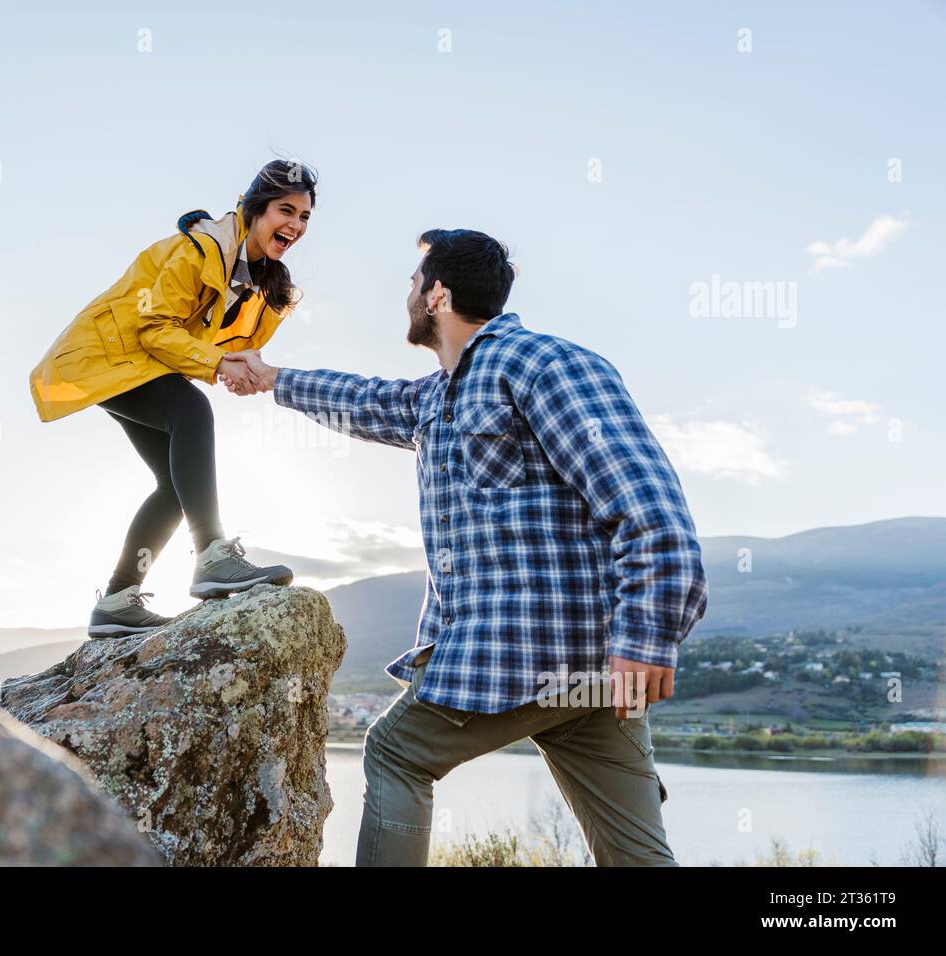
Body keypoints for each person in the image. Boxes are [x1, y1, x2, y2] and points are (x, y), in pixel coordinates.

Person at [225, 228, 709, 866]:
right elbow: (366, 400)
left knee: (397, 751)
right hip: (583, 678)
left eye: (412, 282)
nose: (407, 294)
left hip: (537, 654)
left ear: (438, 295)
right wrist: (269, 378)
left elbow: (649, 505)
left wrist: (645, 639)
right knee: (637, 857)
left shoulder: (543, 363)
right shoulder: (441, 395)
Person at [29, 160, 317, 636]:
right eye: (286, 211)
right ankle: (213, 555)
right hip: (105, 357)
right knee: (191, 411)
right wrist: (221, 366)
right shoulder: (199, 250)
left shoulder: (254, 277)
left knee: (174, 482)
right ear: (253, 210)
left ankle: (118, 600)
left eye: (305, 216)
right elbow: (154, 326)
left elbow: (223, 344)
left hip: (137, 362)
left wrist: (241, 367)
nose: (296, 225)